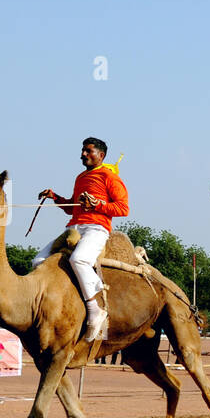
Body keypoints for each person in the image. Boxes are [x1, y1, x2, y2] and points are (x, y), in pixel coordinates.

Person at [34, 137, 130, 342]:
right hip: (74, 227)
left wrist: (97, 205)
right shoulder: (80, 177)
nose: (83, 154)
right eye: (83, 150)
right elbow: (73, 206)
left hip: (96, 228)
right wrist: (55, 197)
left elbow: (123, 208)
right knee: (38, 262)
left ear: (101, 156)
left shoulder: (109, 177)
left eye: (88, 151)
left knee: (79, 260)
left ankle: (95, 308)